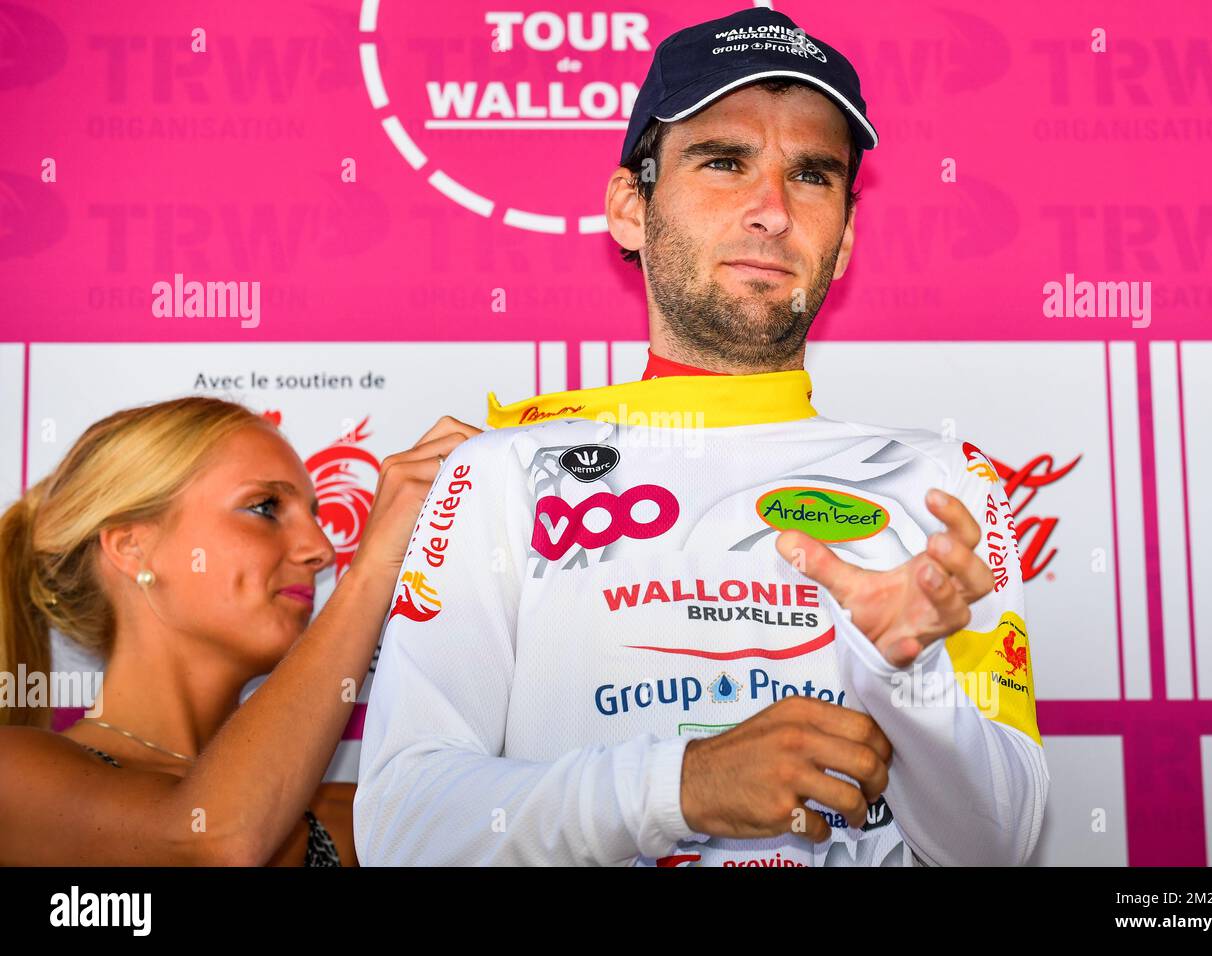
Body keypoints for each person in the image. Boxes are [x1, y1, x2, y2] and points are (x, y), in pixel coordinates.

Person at [354, 7, 1048, 867]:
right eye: (724, 161)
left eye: (813, 176)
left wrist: (905, 675)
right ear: (629, 209)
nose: (771, 211)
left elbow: (997, 849)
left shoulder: (939, 482)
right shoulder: (501, 474)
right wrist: (679, 785)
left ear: (845, 240)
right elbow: (402, 830)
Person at [0, 396, 475, 865]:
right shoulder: (14, 776)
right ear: (132, 547)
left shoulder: (355, 819)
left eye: (315, 515)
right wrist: (370, 575)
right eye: (264, 508)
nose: (321, 550)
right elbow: (212, 845)